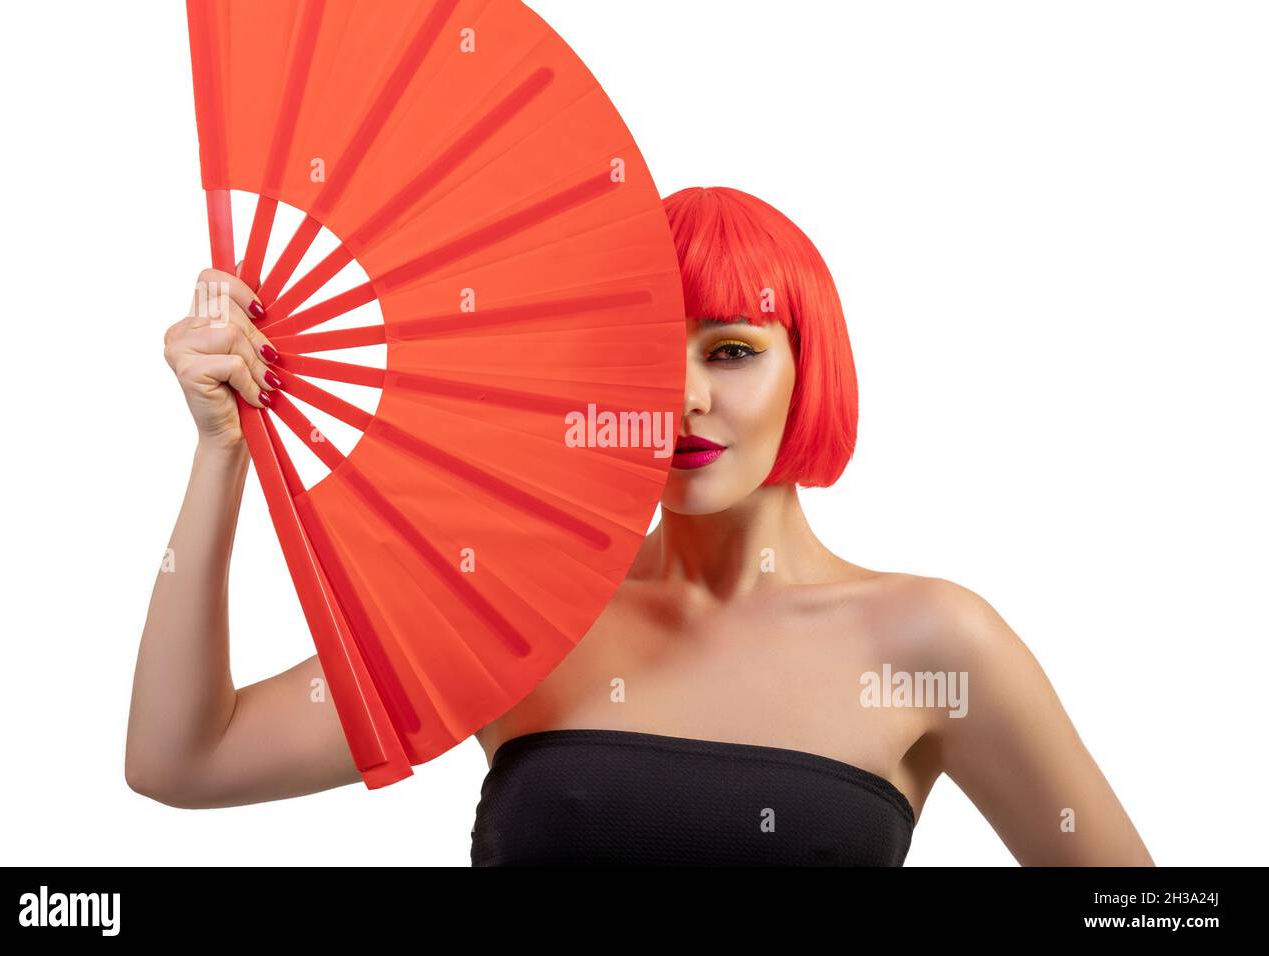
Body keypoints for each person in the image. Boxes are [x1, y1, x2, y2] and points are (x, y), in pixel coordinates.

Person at [128, 185, 1153, 866]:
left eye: (732, 351)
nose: (680, 399)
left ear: (810, 369)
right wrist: (224, 450)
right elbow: (185, 758)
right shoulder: (512, 611)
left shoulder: (929, 641)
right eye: (644, 349)